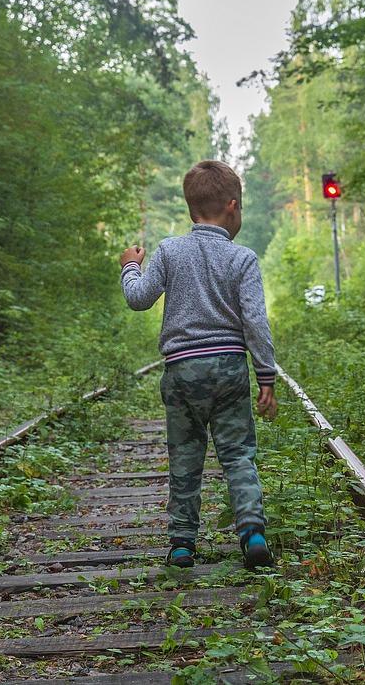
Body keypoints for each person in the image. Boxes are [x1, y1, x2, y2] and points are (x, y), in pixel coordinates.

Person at [119, 160, 278, 569]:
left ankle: (182, 544)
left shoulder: (170, 250)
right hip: (228, 368)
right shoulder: (242, 259)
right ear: (231, 206)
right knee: (238, 455)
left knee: (185, 457)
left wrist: (130, 266)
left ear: (192, 210)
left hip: (182, 371)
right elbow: (255, 322)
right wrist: (266, 376)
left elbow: (138, 298)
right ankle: (253, 533)